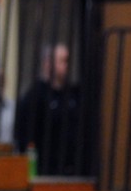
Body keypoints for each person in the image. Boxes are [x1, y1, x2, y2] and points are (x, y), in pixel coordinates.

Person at [16, 42, 92, 176]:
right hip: (45, 170)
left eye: (67, 60)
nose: (67, 65)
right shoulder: (34, 96)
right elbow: (24, 136)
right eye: (62, 60)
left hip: (75, 170)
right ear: (47, 63)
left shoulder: (74, 93)